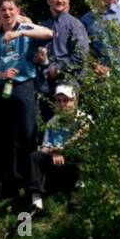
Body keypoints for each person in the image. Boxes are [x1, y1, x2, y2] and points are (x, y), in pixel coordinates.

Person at [0, 0, 52, 200]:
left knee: (28, 135)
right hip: (3, 89)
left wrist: (20, 32)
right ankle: (10, 188)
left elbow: (48, 33)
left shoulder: (26, 29)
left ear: (17, 11)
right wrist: (1, 75)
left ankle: (33, 187)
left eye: (11, 9)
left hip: (24, 86)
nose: (8, 13)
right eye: (3, 10)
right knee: (3, 141)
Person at [29, 85, 89, 213]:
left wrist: (62, 149)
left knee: (81, 157)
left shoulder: (83, 119)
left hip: (75, 160)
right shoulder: (52, 121)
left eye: (66, 100)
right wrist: (53, 152)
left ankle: (76, 197)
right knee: (35, 156)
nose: (62, 104)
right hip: (56, 161)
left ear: (75, 101)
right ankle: (36, 200)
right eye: (59, 100)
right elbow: (45, 146)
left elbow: (82, 137)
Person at [34, 0, 89, 115]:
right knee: (45, 127)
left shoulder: (75, 25)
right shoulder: (43, 26)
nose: (60, 0)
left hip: (67, 85)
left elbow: (81, 56)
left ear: (68, 0)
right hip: (44, 86)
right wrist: (37, 58)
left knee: (66, 125)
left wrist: (58, 69)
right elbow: (33, 51)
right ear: (49, 0)